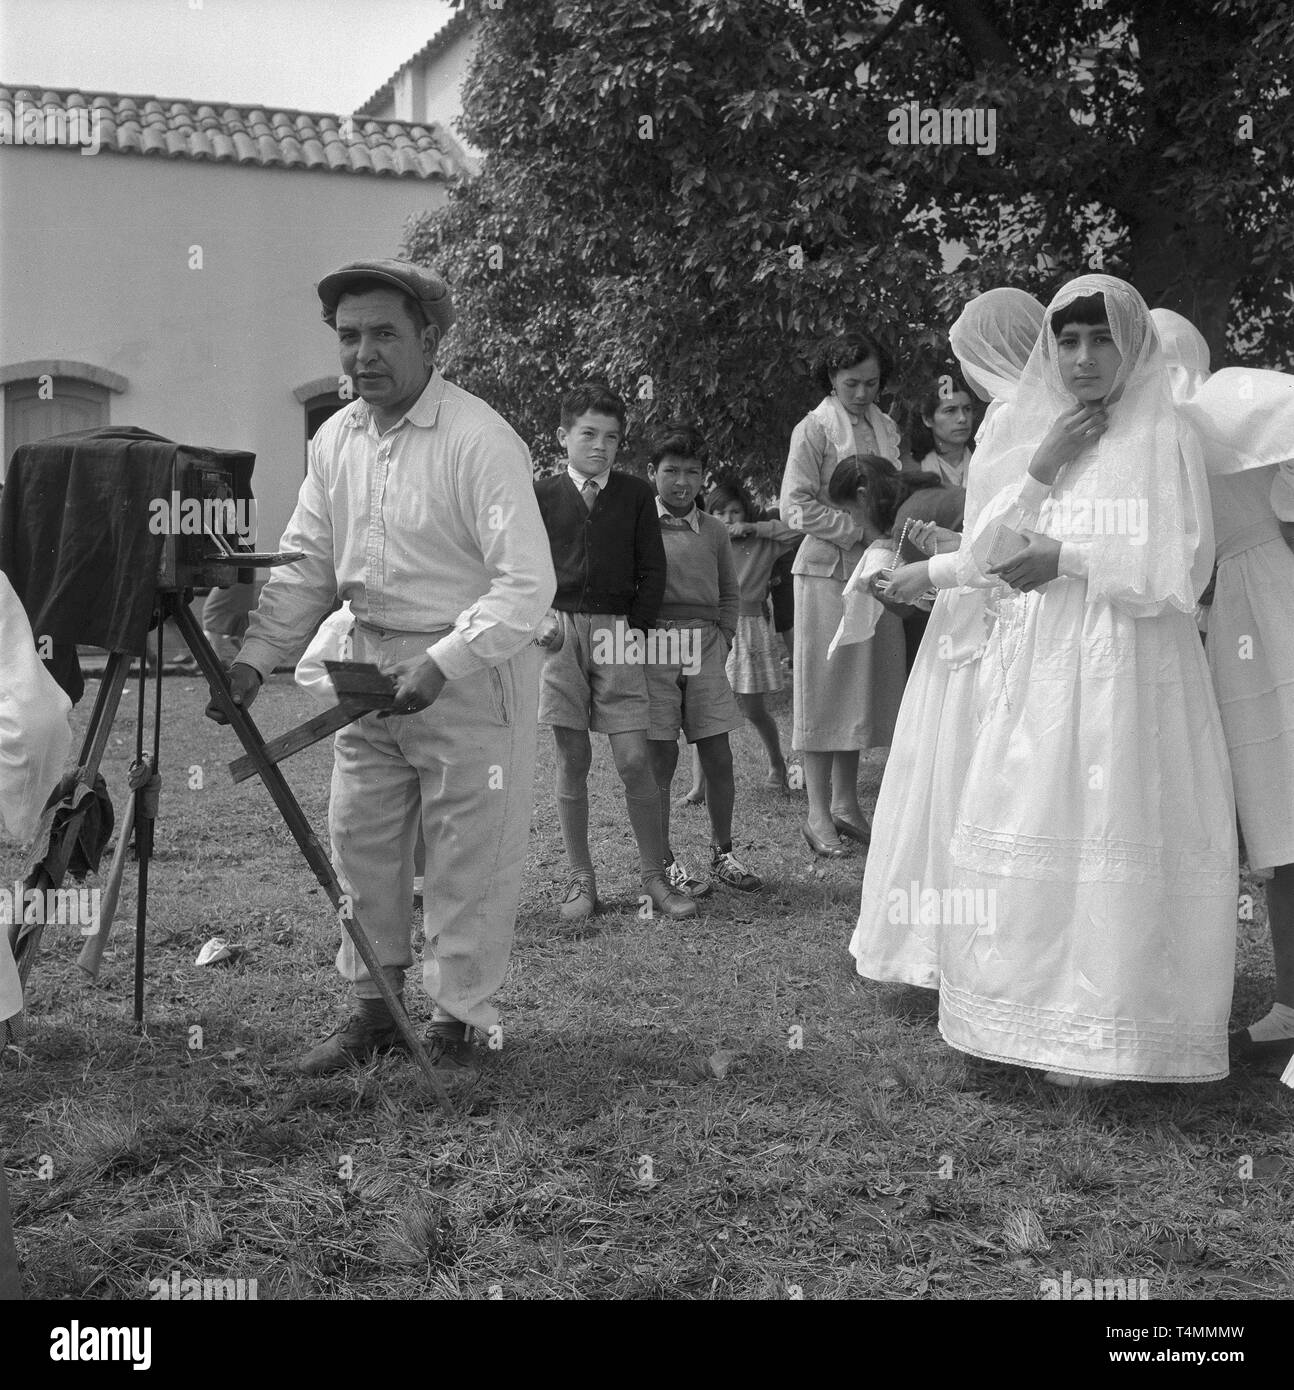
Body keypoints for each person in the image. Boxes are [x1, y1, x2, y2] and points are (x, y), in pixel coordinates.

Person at [208, 257, 556, 1075]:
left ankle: (456, 1024)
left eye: (384, 334)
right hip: (365, 668)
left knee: (469, 852)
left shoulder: (479, 437)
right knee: (360, 840)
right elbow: (306, 567)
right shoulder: (336, 438)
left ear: (430, 341)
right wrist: (257, 661)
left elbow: (527, 584)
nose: (363, 353)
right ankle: (374, 1011)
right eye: (349, 336)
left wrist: (444, 661)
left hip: (469, 671)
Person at [936, 273, 1236, 1086]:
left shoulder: (1163, 432)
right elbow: (991, 555)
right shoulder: (1044, 428)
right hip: (1046, 663)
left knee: (1114, 821)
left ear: (1131, 345)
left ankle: (1110, 1030)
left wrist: (1066, 557)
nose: (1082, 357)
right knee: (1043, 812)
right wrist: (1043, 465)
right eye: (1067, 340)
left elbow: (1180, 569)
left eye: (1100, 338)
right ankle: (1033, 1013)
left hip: (1131, 667)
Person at [849, 287, 1045, 990]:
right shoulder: (1039, 417)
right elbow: (1006, 534)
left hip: (983, 621)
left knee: (957, 773)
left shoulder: (1017, 421)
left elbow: (1009, 543)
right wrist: (952, 541)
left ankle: (951, 951)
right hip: (993, 605)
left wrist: (927, 568)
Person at [1153, 308, 1294, 1067]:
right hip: (1253, 594)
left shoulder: (1207, 414)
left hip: (1259, 601)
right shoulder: (1219, 414)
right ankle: (1287, 1003)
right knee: (1278, 811)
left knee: (1283, 802)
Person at [532, 382, 695, 922]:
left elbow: (653, 567)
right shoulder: (542, 494)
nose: (600, 447)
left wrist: (639, 629)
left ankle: (655, 877)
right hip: (559, 633)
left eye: (612, 438)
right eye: (589, 435)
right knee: (572, 757)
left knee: (633, 757)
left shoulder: (631, 496)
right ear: (563, 437)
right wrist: (539, 619)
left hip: (619, 633)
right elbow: (526, 567)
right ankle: (582, 880)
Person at [780, 332, 913, 858]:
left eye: (872, 382)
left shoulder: (888, 429)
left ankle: (845, 804)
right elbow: (793, 506)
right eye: (851, 382)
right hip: (825, 572)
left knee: (856, 689)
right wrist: (854, 529)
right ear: (831, 379)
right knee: (825, 686)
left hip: (877, 568)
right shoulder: (813, 429)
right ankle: (815, 812)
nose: (862, 393)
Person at [644, 424, 761, 897]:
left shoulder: (713, 530)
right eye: (671, 471)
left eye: (693, 472)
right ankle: (663, 858)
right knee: (661, 755)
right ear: (652, 473)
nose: (681, 482)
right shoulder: (639, 524)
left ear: (703, 478)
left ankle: (722, 852)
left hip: (706, 644)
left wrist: (726, 637)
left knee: (717, 751)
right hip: (652, 646)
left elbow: (729, 591)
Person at [682, 480, 798, 803]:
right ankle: (698, 788)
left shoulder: (761, 542)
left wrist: (754, 528)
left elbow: (795, 532)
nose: (728, 519)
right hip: (710, 627)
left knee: (753, 708)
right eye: (720, 512)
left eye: (735, 512)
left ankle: (777, 765)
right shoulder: (704, 539)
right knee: (702, 706)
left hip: (749, 629)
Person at [908, 372, 976, 488]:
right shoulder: (911, 469)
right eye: (950, 410)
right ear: (928, 419)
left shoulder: (987, 461)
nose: (962, 418)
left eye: (967, 409)